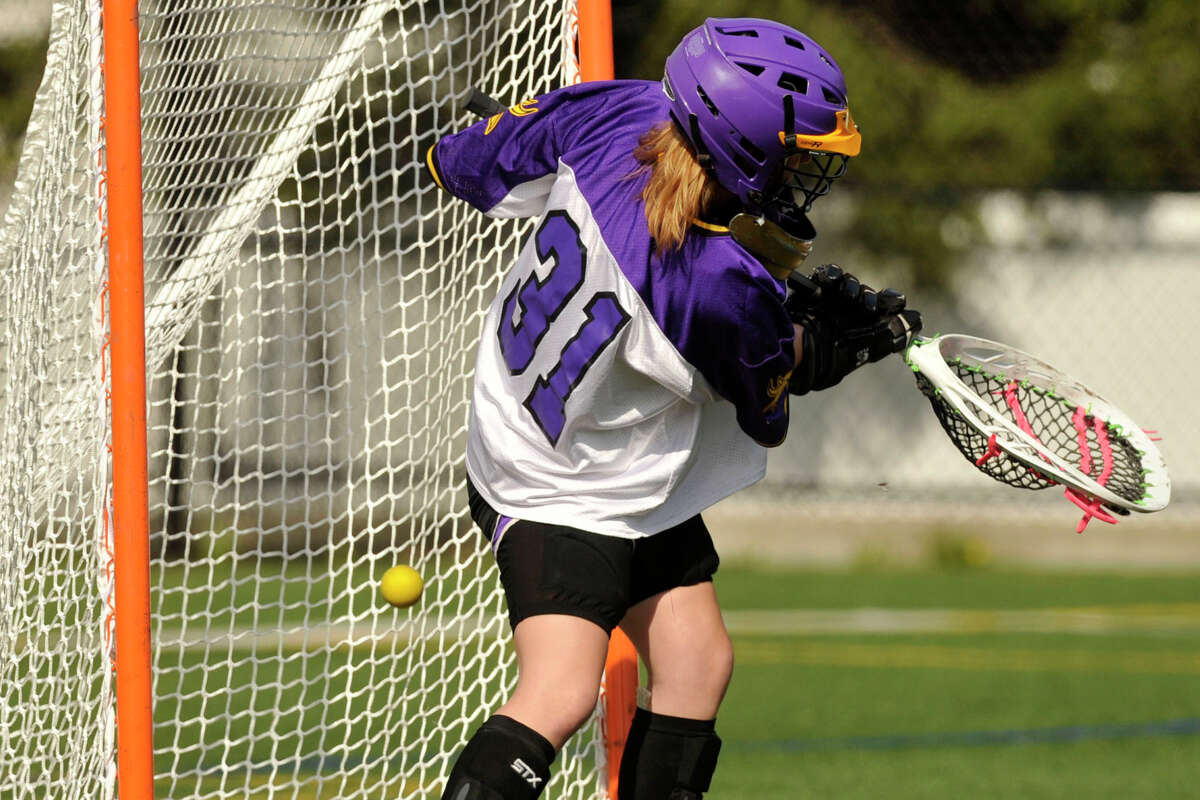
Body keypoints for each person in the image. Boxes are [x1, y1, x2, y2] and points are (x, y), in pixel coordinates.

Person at [424, 16, 921, 800]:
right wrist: (844, 342)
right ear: (746, 150)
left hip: (568, 438)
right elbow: (769, 396)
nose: (802, 172)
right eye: (795, 154)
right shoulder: (717, 280)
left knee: (697, 665)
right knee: (558, 692)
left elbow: (459, 162)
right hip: (557, 487)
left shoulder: (625, 110)